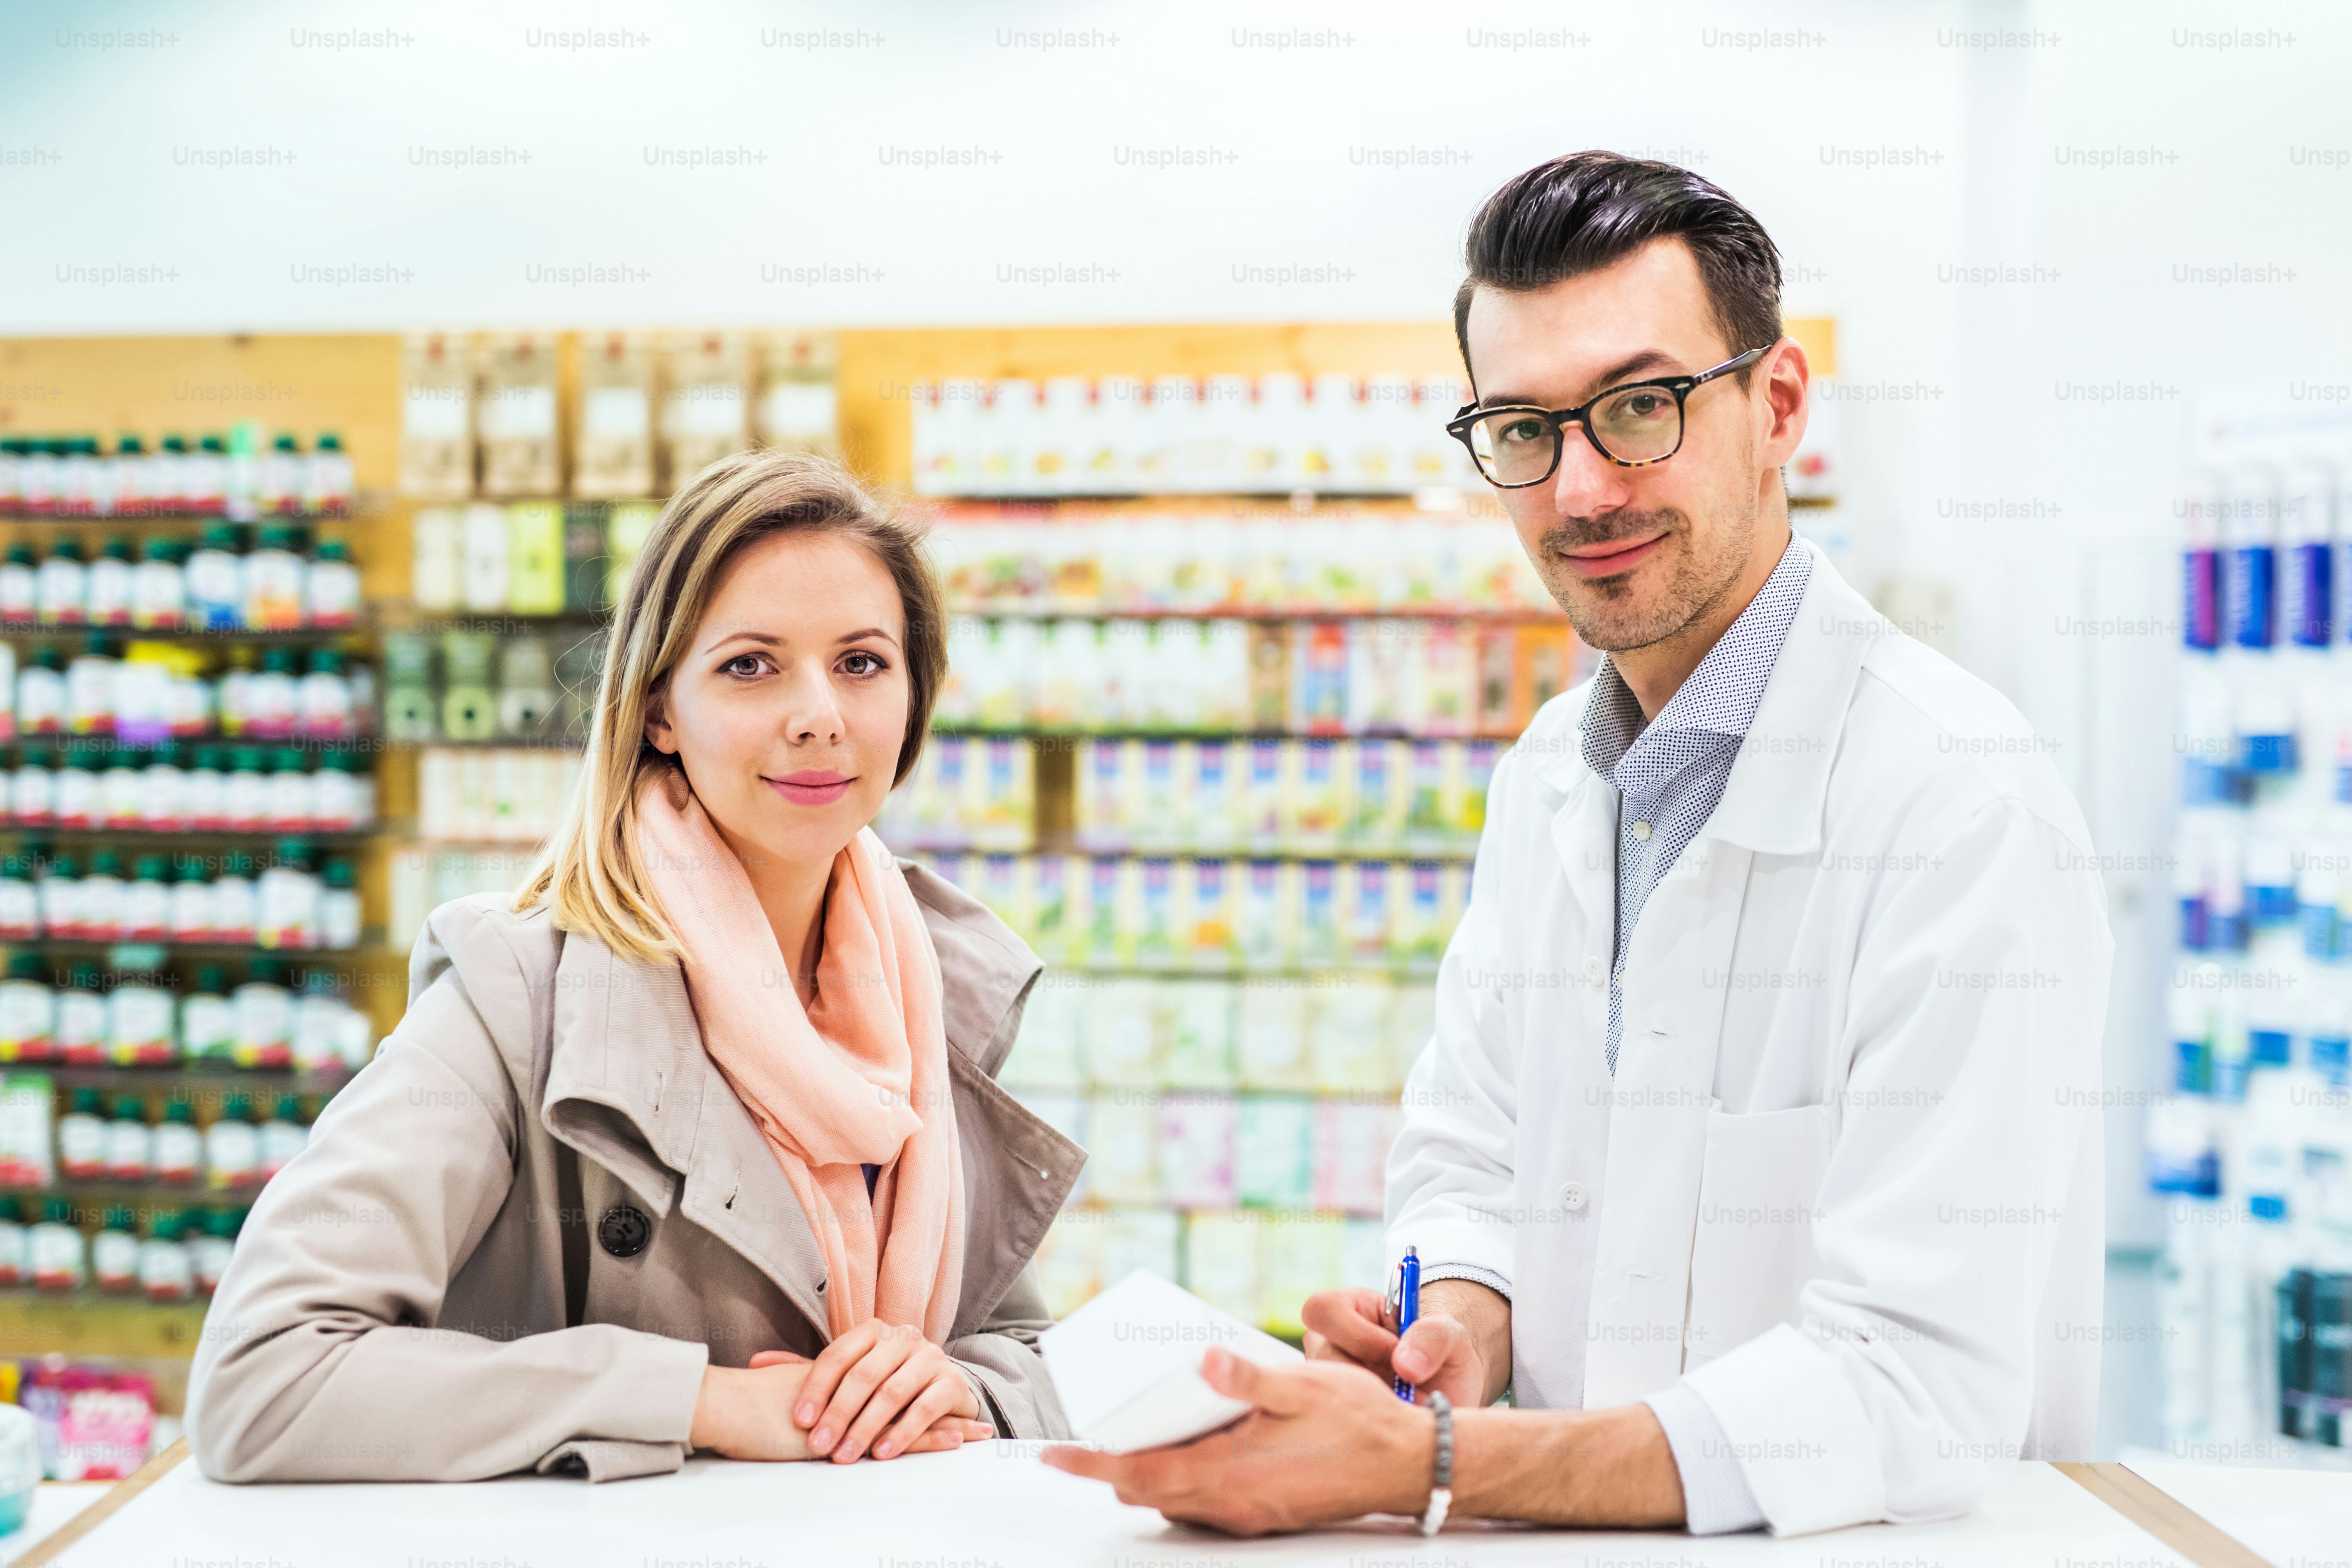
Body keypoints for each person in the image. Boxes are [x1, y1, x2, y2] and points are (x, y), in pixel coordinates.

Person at [1048, 151, 2109, 1537]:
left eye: (1638, 408)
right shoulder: (1549, 775)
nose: (1581, 491)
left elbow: (1912, 1388)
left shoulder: (1958, 805)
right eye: (1522, 430)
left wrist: (1421, 1468)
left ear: (1774, 403)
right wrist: (1461, 1331)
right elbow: (1469, 1155)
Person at [189, 452, 1083, 1482]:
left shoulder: (928, 983)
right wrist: (699, 1399)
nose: (819, 713)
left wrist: (957, 1386)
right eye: (751, 664)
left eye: (863, 662)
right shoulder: (517, 991)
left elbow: (1026, 1351)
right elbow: (262, 1378)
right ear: (658, 708)